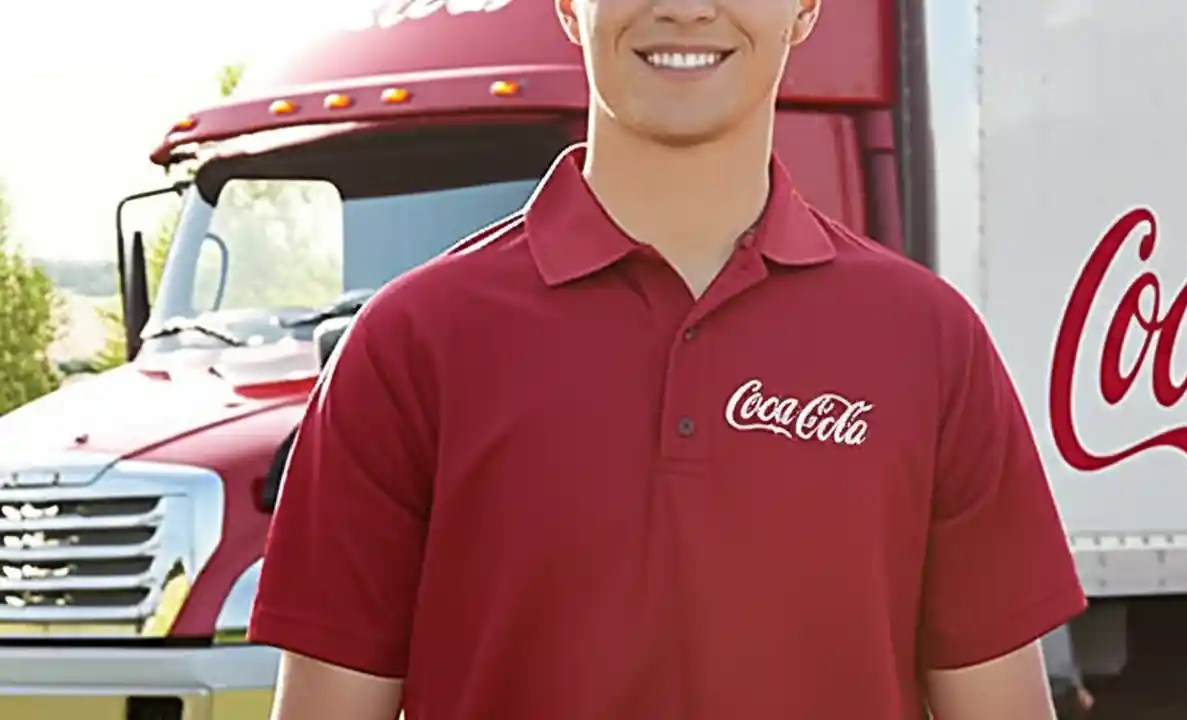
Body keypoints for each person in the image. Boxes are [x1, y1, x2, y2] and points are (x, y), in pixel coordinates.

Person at [247, 0, 1088, 718]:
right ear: (570, 6)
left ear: (805, 8)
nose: (686, 7)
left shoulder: (928, 340)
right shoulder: (408, 344)